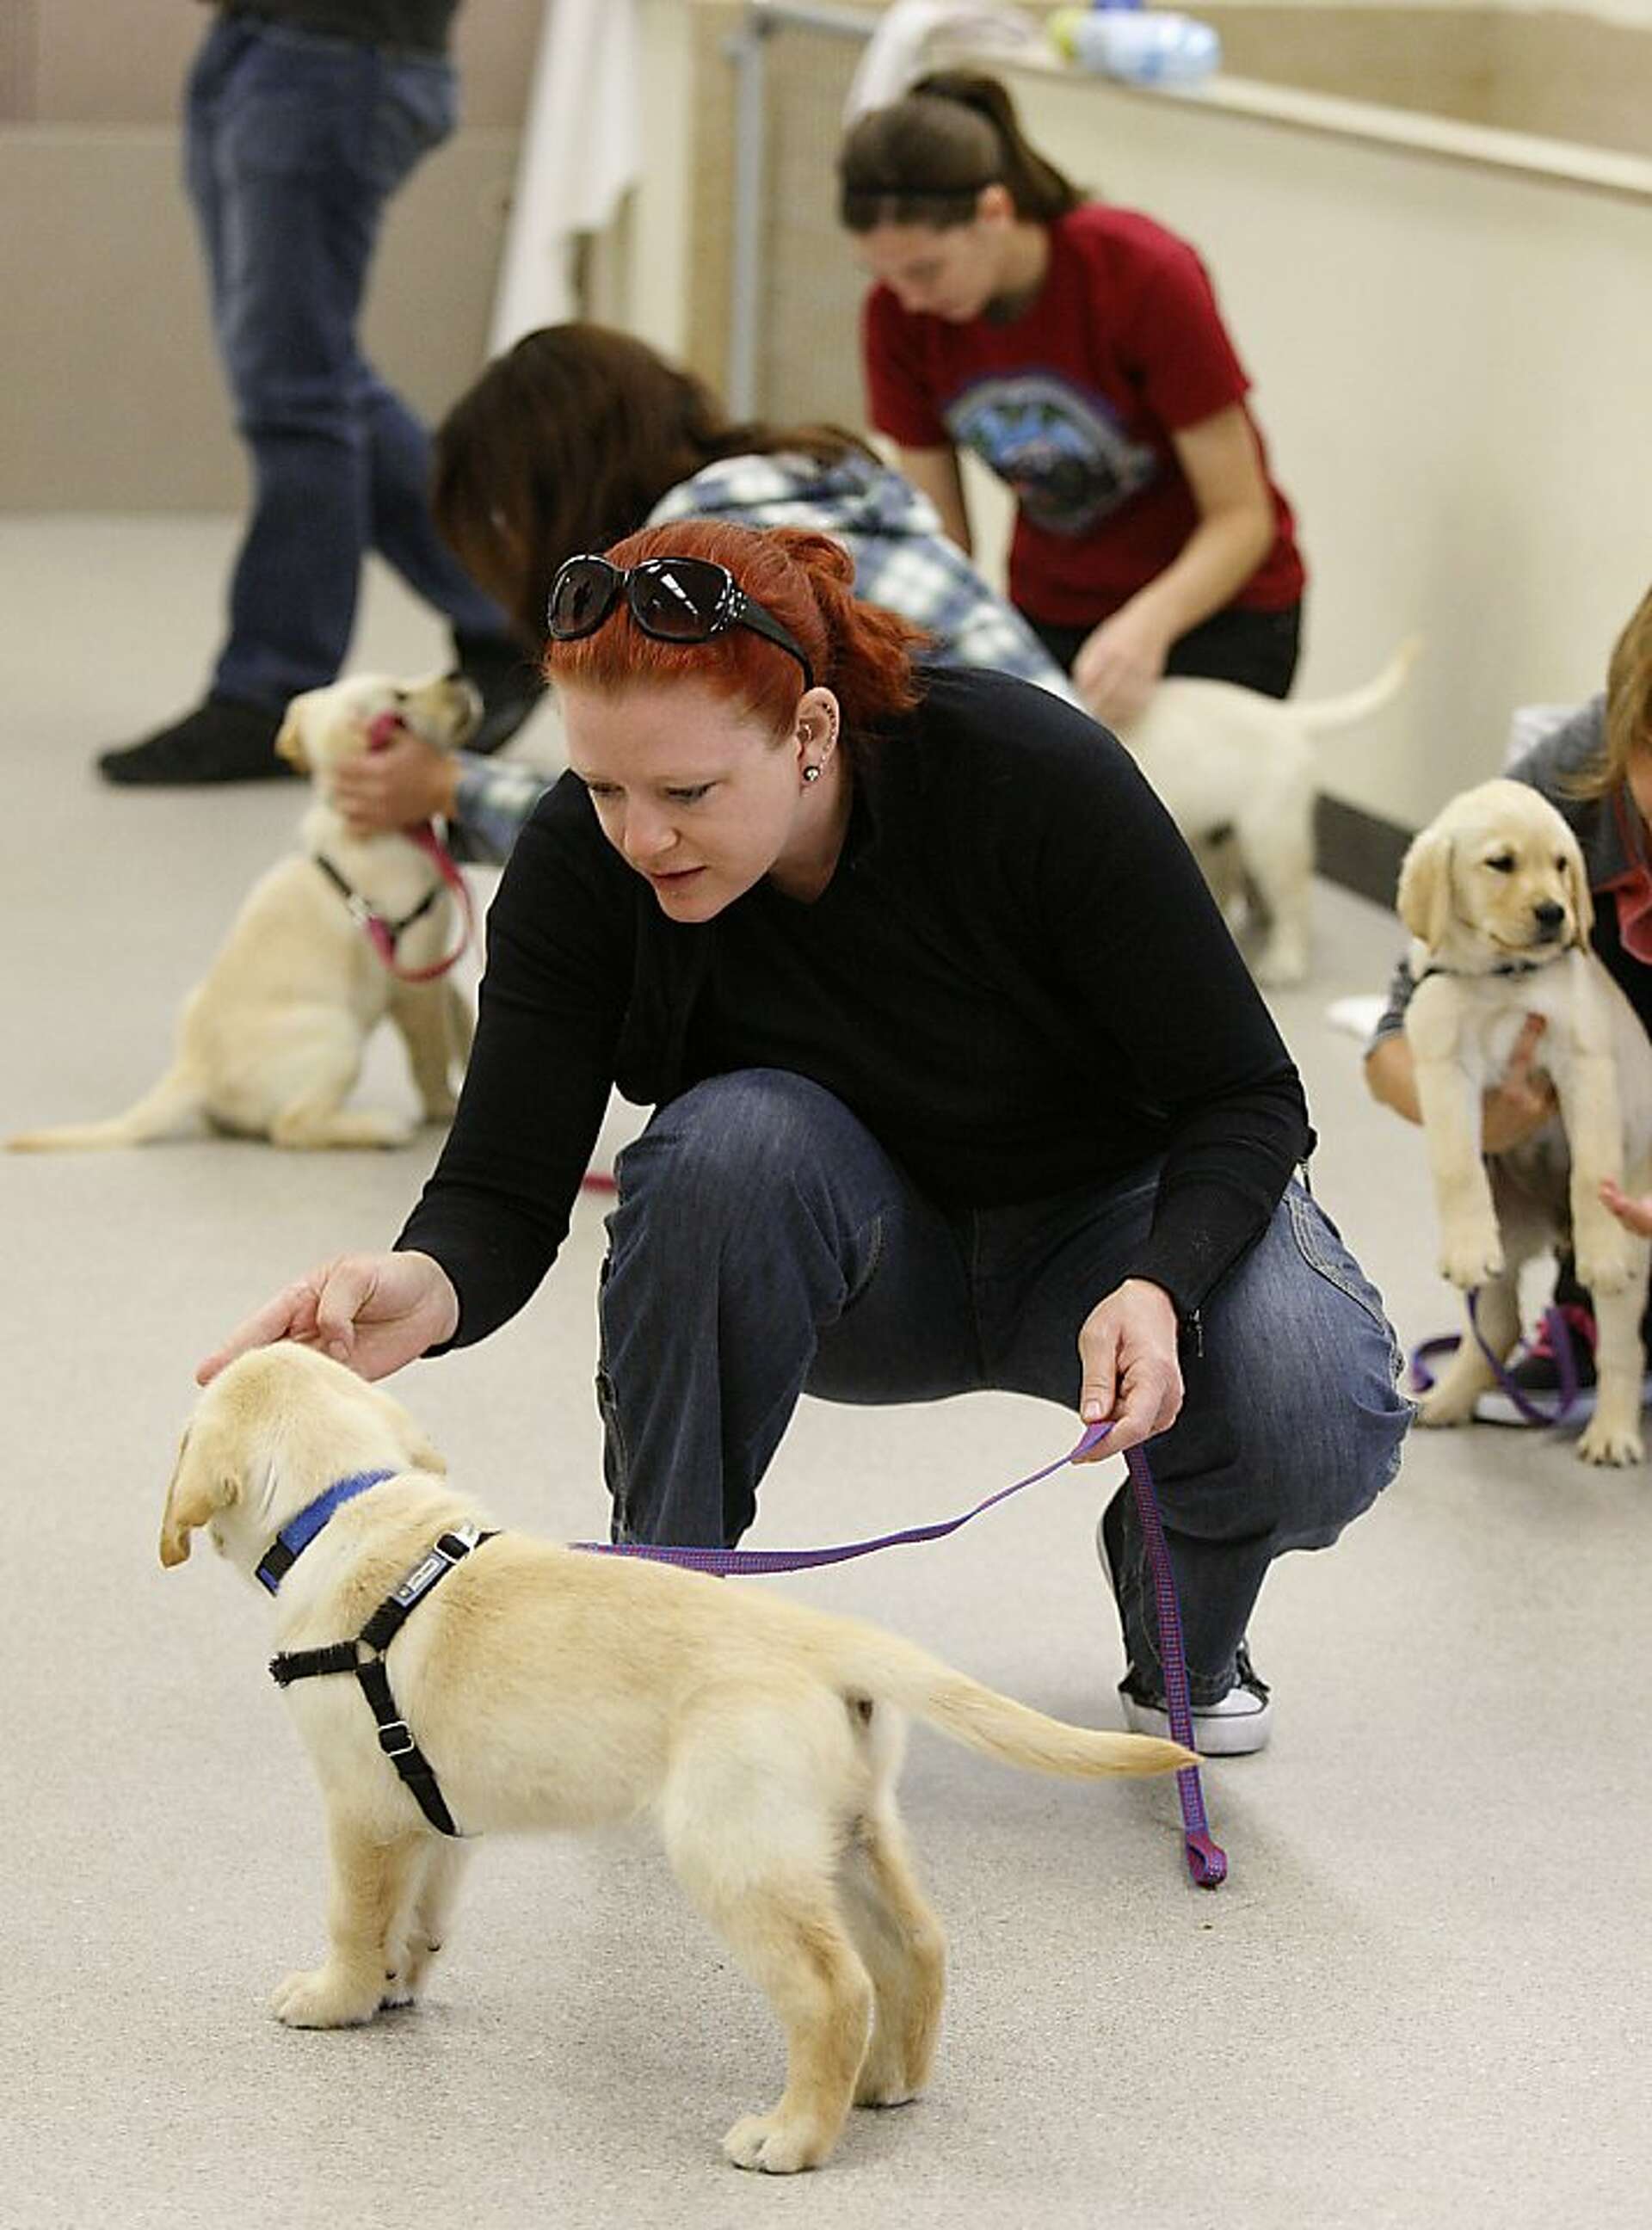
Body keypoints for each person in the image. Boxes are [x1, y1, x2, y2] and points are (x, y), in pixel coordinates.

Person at [200, 519, 1409, 1755]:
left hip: (1109, 1228)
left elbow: (1248, 1093)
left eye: (686, 793)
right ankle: (671, 1632)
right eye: (605, 787)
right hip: (859, 1258)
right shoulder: (586, 862)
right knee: (728, 1147)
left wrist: (1161, 1283)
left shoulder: (1027, 771)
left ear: (813, 733)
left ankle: (1181, 1610)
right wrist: (418, 1282)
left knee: (1318, 1408)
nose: (641, 838)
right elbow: (505, 1187)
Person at [323, 318, 1084, 856]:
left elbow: (682, 826)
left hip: (1003, 884)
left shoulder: (695, 581)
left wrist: (448, 788)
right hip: (1098, 825)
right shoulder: (804, 483)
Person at [98, 2, 538, 788]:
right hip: (261, 39)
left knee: (298, 395)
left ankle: (270, 692)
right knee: (311, 381)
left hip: (339, 51)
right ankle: (505, 604)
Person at [837, 71, 1305, 731]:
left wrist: (1148, 626)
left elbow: (1241, 519)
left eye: (925, 270)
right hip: (1052, 613)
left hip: (1215, 612)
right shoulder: (897, 317)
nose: (908, 298)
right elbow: (941, 539)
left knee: (1150, 825)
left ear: (994, 212)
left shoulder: (1140, 275)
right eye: (882, 275)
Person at [1364, 580, 1652, 1419]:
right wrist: (1485, 1120)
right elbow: (1390, 1045)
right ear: (1626, 726)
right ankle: (1564, 1311)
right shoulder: (1559, 791)